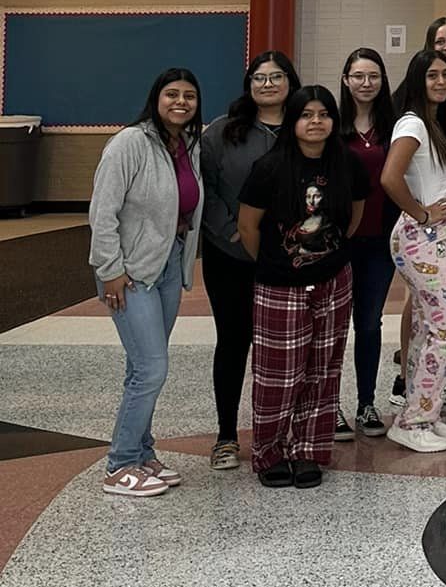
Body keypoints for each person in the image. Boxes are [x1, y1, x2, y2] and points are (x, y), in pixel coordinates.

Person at [238, 86, 367, 488]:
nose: (315, 122)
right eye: (306, 115)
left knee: (323, 370)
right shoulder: (269, 168)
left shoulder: (348, 163)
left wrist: (326, 257)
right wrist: (282, 263)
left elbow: (354, 218)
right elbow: (248, 228)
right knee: (279, 373)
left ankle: (309, 450)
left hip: (334, 280)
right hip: (280, 284)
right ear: (292, 121)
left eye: (323, 114)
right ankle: (270, 451)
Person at [89, 67, 203, 498]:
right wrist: (109, 270)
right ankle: (120, 465)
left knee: (143, 366)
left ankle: (142, 451)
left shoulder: (186, 144)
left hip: (169, 265)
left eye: (189, 95)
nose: (180, 102)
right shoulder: (130, 143)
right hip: (130, 271)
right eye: (171, 94)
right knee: (152, 367)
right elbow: (102, 212)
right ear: (156, 98)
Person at [198, 49, 297, 471]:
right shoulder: (223, 132)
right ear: (248, 85)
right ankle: (225, 435)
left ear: (290, 81)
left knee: (285, 351)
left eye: (276, 77)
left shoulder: (306, 127)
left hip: (289, 259)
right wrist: (233, 230)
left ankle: (277, 431)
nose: (268, 84)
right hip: (231, 256)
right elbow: (205, 189)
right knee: (234, 342)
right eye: (259, 77)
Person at [381, 48, 446, 454]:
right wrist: (419, 213)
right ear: (418, 80)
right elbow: (390, 176)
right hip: (422, 239)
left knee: (427, 327)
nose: (441, 82)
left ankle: (427, 413)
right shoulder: (412, 123)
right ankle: (413, 419)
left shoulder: (441, 124)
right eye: (432, 75)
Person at [338, 47, 398, 439]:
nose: (365, 83)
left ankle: (366, 403)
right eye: (358, 76)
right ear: (346, 80)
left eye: (373, 76)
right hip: (338, 243)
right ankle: (326, 407)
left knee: (370, 323)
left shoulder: (394, 128)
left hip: (381, 241)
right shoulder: (331, 125)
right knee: (330, 326)